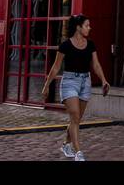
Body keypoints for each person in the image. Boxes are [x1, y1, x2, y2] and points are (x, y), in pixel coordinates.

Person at [42, 14, 110, 161]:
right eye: (87, 25)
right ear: (78, 27)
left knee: (76, 119)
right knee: (75, 115)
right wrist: (46, 86)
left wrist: (104, 80)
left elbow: (96, 65)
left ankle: (66, 144)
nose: (89, 28)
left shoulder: (90, 44)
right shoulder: (65, 45)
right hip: (69, 82)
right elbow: (55, 67)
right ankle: (78, 153)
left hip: (86, 82)